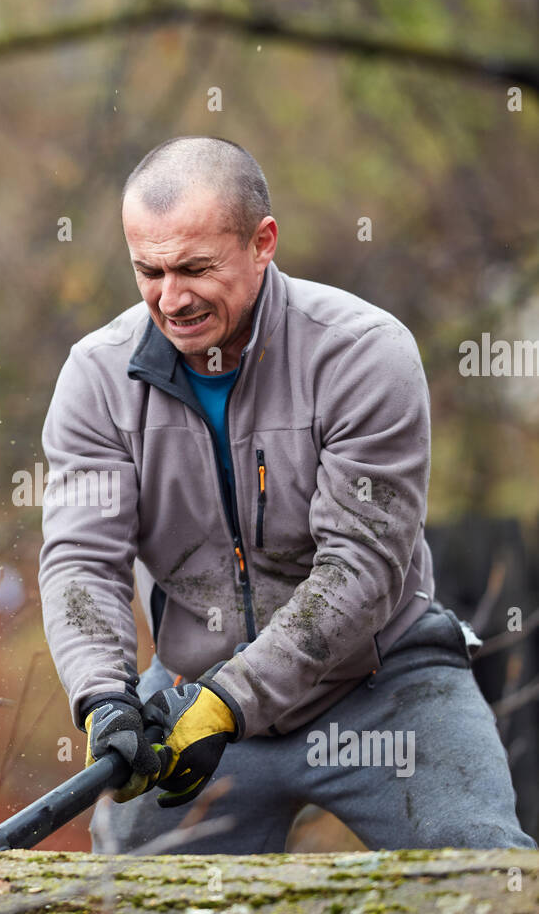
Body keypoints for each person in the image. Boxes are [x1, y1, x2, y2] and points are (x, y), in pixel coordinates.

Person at [37, 135, 536, 854]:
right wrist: (106, 699)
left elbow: (359, 568)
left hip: (381, 686)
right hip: (187, 702)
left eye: (195, 268)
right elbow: (81, 561)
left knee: (490, 887)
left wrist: (232, 701)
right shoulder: (96, 379)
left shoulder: (363, 354)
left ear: (263, 242)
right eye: (148, 271)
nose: (170, 299)